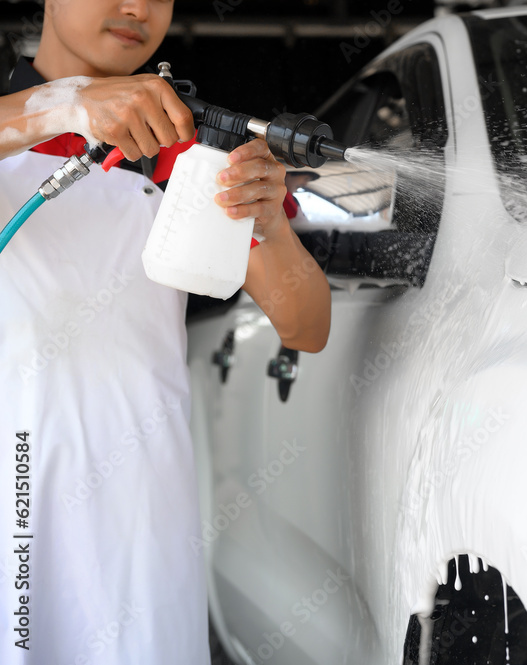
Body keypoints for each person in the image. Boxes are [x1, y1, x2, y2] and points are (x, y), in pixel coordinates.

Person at [0, 1, 332, 663]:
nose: (137, 7)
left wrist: (269, 221)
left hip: (137, 498)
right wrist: (67, 105)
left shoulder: (197, 147)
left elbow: (307, 325)